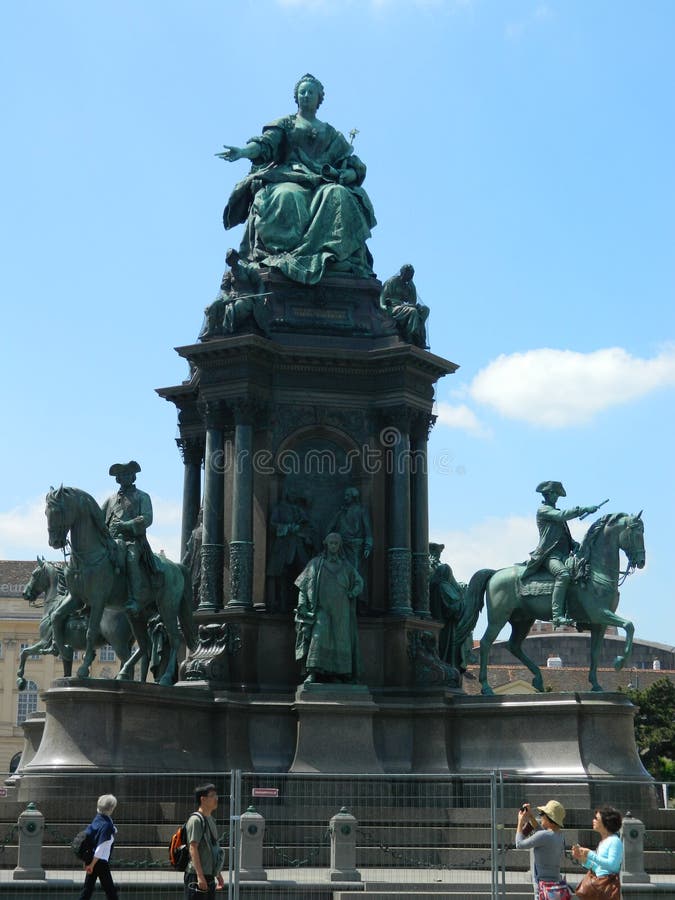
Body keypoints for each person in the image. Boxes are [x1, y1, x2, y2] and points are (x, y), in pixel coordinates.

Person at [217, 73, 377, 285]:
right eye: (302, 91)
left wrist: (351, 174)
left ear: (320, 98)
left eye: (311, 92)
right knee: (286, 196)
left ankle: (333, 256)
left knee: (340, 194)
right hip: (288, 177)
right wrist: (243, 152)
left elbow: (350, 162)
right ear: (296, 97)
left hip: (322, 182)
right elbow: (265, 145)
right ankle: (282, 255)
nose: (306, 95)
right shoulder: (285, 124)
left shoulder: (330, 133)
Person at [522, 481, 598, 629]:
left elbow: (562, 535)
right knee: (563, 575)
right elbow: (562, 515)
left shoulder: (555, 512)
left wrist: (574, 544)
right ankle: (557, 615)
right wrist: (583, 509)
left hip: (564, 556)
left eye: (557, 494)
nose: (556, 496)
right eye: (554, 493)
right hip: (549, 555)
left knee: (581, 574)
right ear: (547, 494)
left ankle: (577, 615)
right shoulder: (544, 510)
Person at [294, 532, 364, 684]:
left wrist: (353, 592)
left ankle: (338, 674)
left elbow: (359, 582)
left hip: (341, 611)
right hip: (322, 610)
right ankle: (312, 673)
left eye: (336, 543)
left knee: (341, 641)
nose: (333, 546)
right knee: (318, 637)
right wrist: (302, 604)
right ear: (326, 544)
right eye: (331, 543)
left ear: (339, 546)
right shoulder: (315, 564)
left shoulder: (346, 566)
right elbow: (303, 586)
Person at [101, 460, 158, 616]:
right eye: (121, 475)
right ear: (117, 478)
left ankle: (136, 598)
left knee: (131, 560)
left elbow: (147, 518)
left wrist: (126, 525)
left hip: (133, 541)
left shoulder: (142, 496)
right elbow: (98, 520)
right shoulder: (110, 500)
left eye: (127, 474)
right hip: (112, 542)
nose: (124, 477)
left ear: (133, 477)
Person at [428, 543, 472, 672]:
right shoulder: (443, 586)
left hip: (434, 622)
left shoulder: (435, 584)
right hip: (445, 627)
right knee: (446, 654)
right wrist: (463, 603)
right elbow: (454, 608)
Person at [516, 800, 567, 900]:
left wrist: (520, 821)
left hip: (542, 889)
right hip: (556, 888)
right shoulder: (560, 836)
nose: (540, 816)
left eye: (542, 814)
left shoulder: (543, 836)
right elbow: (542, 833)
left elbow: (519, 844)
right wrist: (530, 816)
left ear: (549, 818)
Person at [184, 782, 224, 899]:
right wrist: (200, 876)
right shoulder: (195, 820)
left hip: (209, 875)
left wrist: (218, 873)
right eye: (212, 796)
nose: (216, 799)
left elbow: (213, 849)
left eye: (216, 796)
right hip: (196, 876)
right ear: (203, 799)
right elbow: (193, 847)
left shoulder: (211, 820)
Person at [78, 794, 119, 900]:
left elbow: (89, 839)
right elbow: (100, 848)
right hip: (99, 861)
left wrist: (86, 861)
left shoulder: (98, 818)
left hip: (93, 859)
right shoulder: (106, 825)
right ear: (111, 808)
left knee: (87, 890)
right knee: (110, 892)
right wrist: (91, 864)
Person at [571, 806, 623, 888]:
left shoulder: (614, 841)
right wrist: (582, 858)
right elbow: (599, 869)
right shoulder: (603, 842)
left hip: (607, 889)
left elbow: (613, 866)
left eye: (596, 818)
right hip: (601, 886)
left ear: (606, 822)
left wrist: (590, 854)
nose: (593, 820)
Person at [379, 263, 429, 348]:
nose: (409, 277)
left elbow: (412, 302)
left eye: (411, 275)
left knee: (425, 310)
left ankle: (419, 335)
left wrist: (416, 306)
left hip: (404, 307)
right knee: (412, 311)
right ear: (403, 273)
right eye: (408, 274)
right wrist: (384, 307)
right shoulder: (392, 281)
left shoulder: (410, 285)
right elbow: (382, 299)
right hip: (393, 306)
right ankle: (410, 335)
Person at [327, 486, 373, 576]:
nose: (345, 498)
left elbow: (368, 530)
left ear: (354, 496)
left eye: (348, 495)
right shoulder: (342, 512)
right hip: (342, 546)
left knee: (354, 571)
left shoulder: (361, 510)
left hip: (355, 547)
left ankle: (354, 589)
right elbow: (330, 527)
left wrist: (368, 546)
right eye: (345, 495)